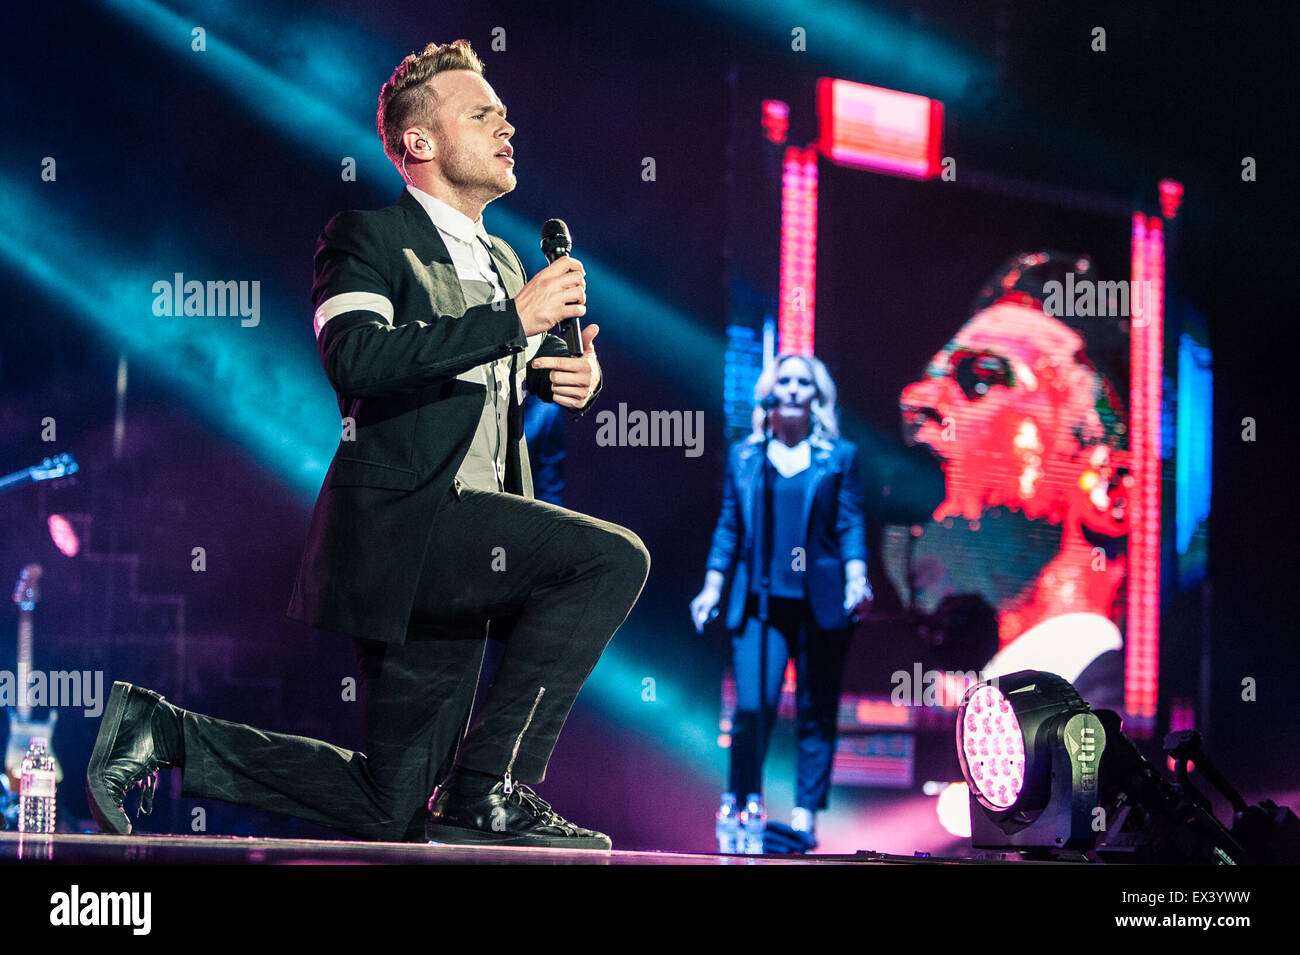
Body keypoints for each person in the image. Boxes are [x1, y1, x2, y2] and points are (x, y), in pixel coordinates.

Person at [85, 40, 649, 849]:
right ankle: (494, 786)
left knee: (389, 804)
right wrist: (512, 323)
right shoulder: (368, 237)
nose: (508, 126)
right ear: (419, 142)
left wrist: (556, 375)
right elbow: (356, 357)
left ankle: (161, 733)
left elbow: (485, 368)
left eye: (505, 114)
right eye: (483, 113)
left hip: (468, 541)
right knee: (610, 558)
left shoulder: (501, 258)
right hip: (411, 526)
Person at [897, 251, 1129, 711]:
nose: (915, 399)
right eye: (929, 379)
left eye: (981, 378)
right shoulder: (978, 706)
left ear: (1109, 489)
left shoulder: (1099, 725)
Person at [690, 354, 869, 848]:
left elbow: (850, 522)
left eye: (802, 382)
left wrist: (857, 577)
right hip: (759, 600)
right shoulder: (746, 456)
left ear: (817, 395)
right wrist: (712, 585)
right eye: (784, 381)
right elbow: (729, 525)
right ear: (770, 392)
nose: (792, 389)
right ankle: (743, 804)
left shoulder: (840, 456)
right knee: (753, 707)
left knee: (816, 710)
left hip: (821, 599)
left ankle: (805, 817)